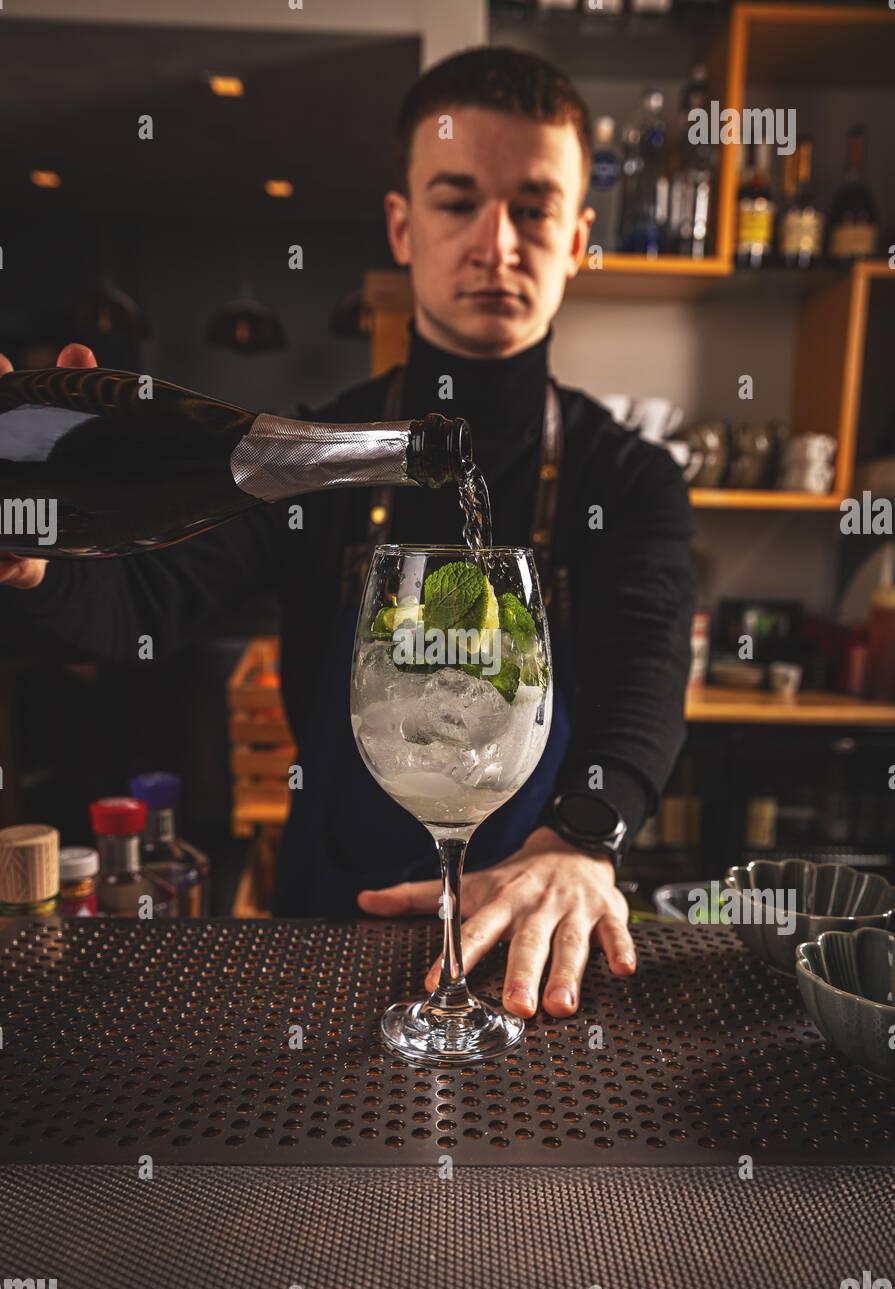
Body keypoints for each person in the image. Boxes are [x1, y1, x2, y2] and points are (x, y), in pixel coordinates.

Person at [0, 47, 693, 1019]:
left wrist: (579, 836)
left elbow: (650, 670)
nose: (496, 240)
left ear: (579, 237)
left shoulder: (626, 476)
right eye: (458, 201)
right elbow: (136, 607)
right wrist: (30, 563)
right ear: (402, 227)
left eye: (533, 208)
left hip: (533, 945)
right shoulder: (310, 455)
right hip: (328, 936)